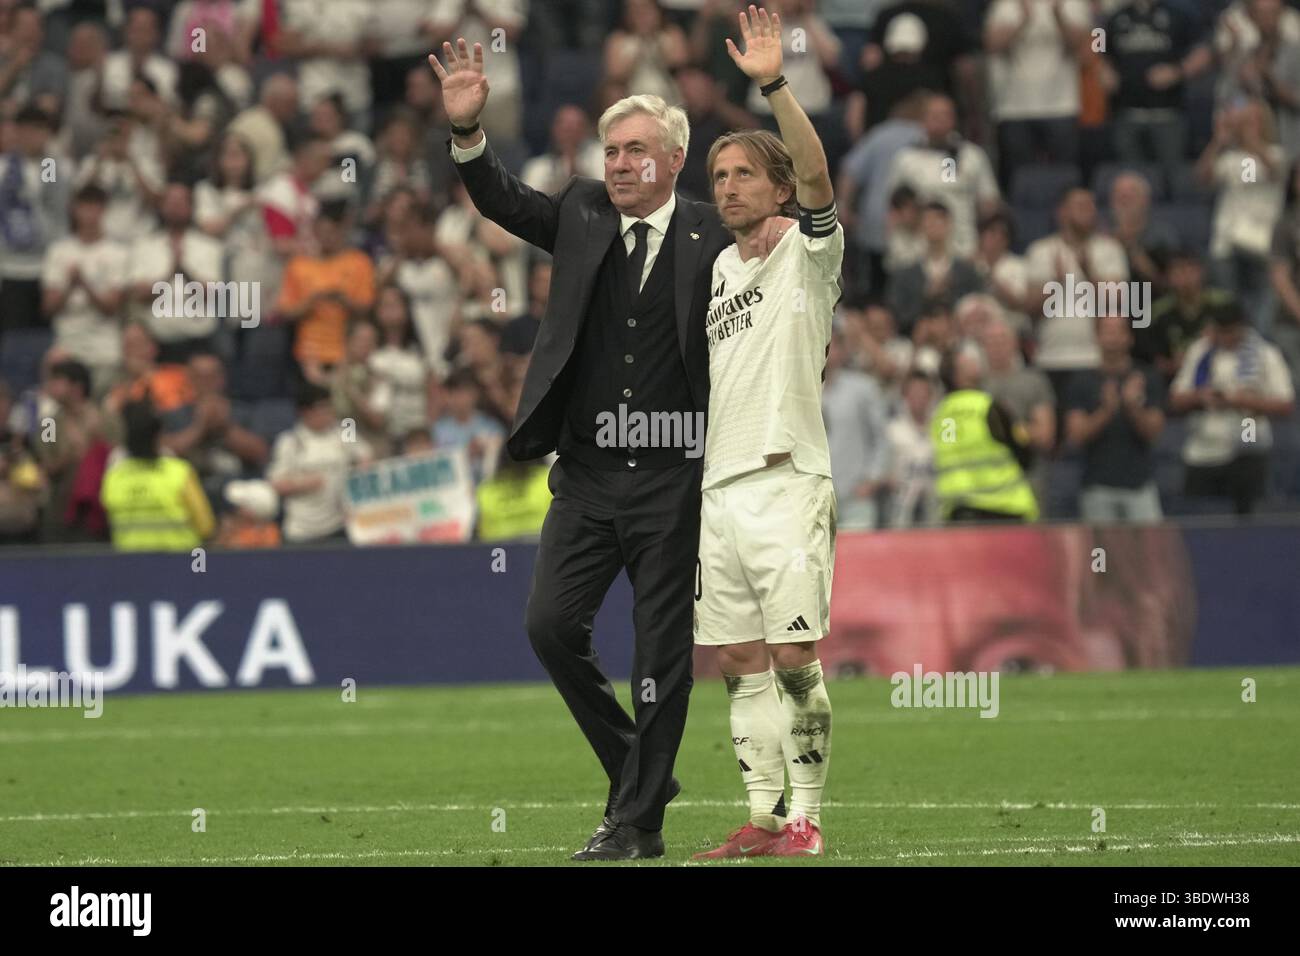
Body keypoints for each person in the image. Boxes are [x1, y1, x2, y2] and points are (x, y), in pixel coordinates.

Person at [430, 34, 784, 861]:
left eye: (634, 151)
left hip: (675, 479)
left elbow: (797, 239)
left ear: (673, 158)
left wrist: (772, 234)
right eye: (610, 150)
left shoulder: (716, 234)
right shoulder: (584, 212)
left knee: (661, 658)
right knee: (551, 627)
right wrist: (468, 136)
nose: (618, 164)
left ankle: (634, 824)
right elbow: (504, 200)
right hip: (586, 475)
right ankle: (641, 772)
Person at [691, 6, 841, 860]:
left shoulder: (809, 252)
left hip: (788, 478)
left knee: (792, 655)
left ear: (779, 187)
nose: (729, 188)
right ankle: (763, 815)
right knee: (738, 660)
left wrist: (774, 82)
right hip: (723, 485)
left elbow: (819, 174)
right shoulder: (718, 268)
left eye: (745, 174)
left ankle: (810, 819)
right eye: (720, 177)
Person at [1169, 298, 1296, 514]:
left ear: (1242, 327)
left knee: (1247, 526)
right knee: (1200, 523)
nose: (1225, 337)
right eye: (1220, 331)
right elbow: (1175, 399)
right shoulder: (1200, 352)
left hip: (1248, 450)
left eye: (1230, 331)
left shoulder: (1265, 354)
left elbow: (1286, 405)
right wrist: (1201, 396)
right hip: (1203, 451)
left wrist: (1244, 401)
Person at [1065, 314, 1167, 522]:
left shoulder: (1147, 377)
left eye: (1118, 330)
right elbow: (1076, 436)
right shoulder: (1082, 381)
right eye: (1107, 331)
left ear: (1129, 337)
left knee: (1149, 551)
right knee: (1102, 553)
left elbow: (1154, 434)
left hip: (1140, 486)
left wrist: (1132, 408)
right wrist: (1106, 411)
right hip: (1097, 487)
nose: (1112, 337)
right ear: (1097, 337)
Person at [932, 349, 1039, 523]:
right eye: (969, 364)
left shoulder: (943, 414)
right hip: (1004, 506)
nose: (976, 365)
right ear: (957, 376)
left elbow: (950, 453)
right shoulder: (988, 407)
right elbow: (1021, 448)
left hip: (960, 509)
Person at [100, 400, 215, 552]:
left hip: (130, 567)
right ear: (158, 436)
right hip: (180, 566)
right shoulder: (179, 473)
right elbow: (206, 527)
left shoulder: (114, 477)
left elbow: (107, 524)